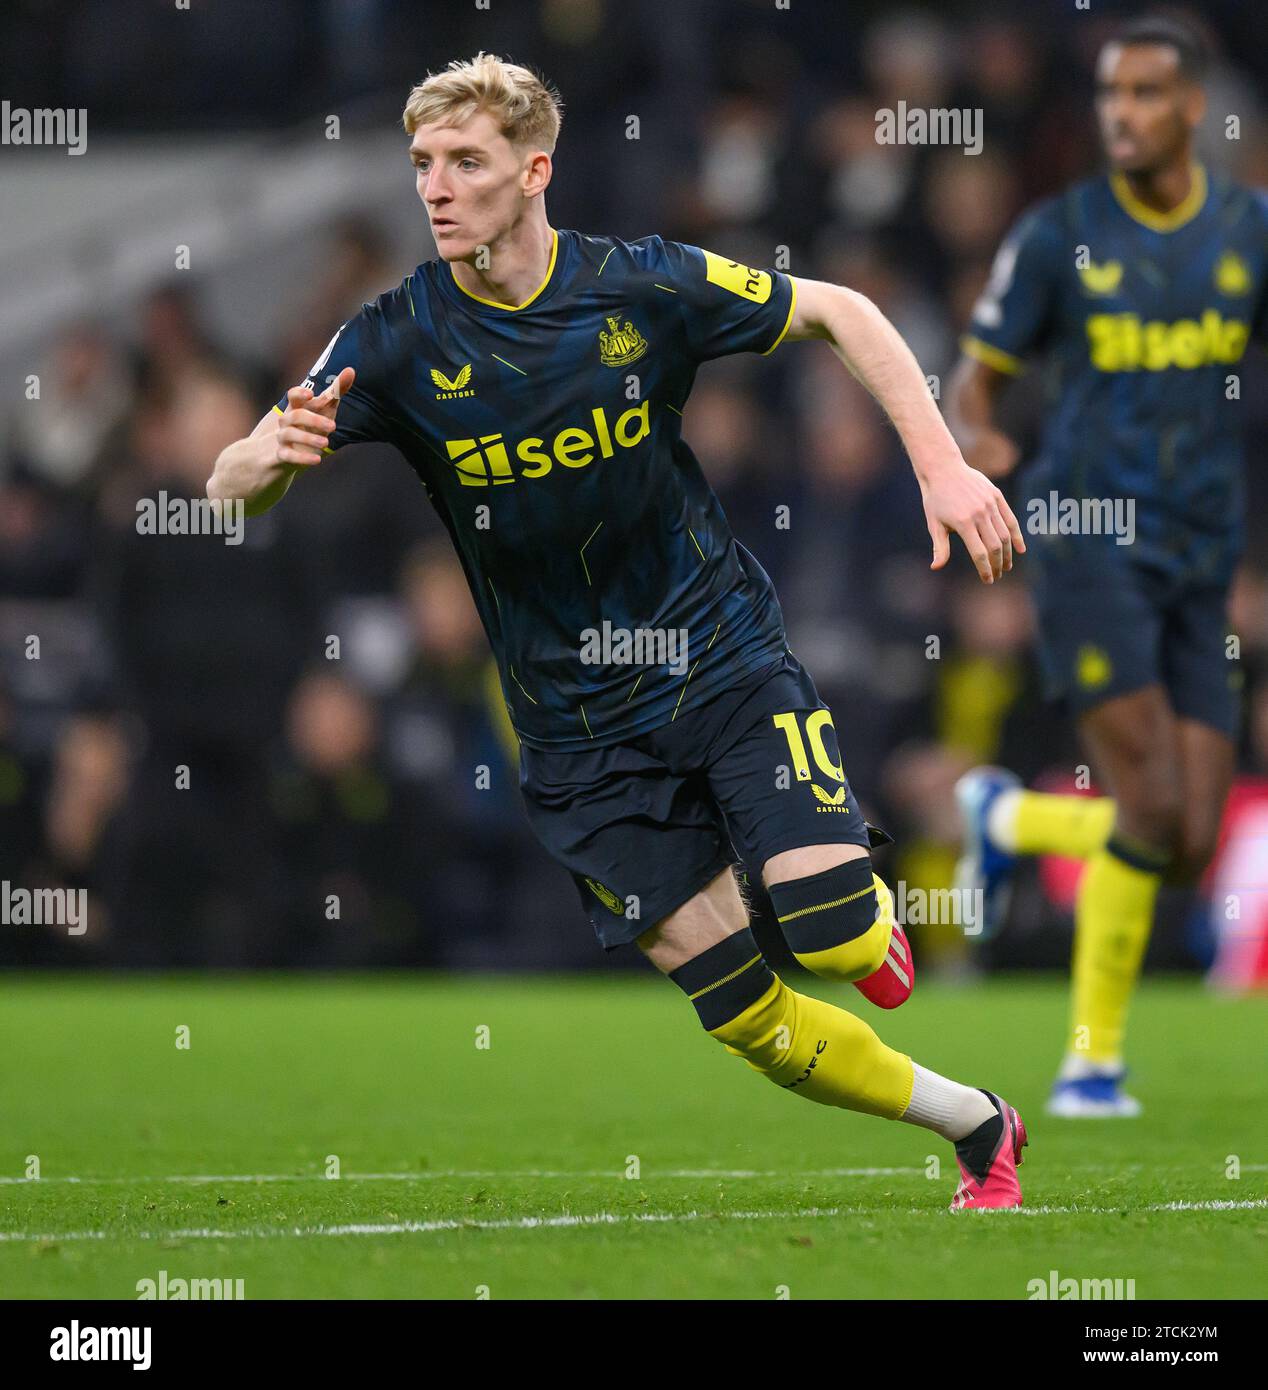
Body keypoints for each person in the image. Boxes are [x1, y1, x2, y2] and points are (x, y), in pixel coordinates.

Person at [208, 53, 1029, 1207]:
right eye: (422, 166)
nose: (436, 189)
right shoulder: (392, 340)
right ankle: (977, 1122)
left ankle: (859, 913)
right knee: (750, 1021)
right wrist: (266, 464)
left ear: (534, 170)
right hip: (577, 733)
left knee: (836, 939)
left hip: (718, 656)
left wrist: (941, 468)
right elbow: (227, 476)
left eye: (466, 163)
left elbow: (843, 310)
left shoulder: (637, 288)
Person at [947, 17, 1268, 1117]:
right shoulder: (1057, 236)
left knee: (1181, 838)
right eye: (1107, 94)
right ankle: (1089, 1065)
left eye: (1142, 93)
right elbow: (973, 379)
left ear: (1191, 109)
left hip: (1198, 552)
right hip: (1084, 537)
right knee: (1144, 797)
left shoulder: (1247, 232)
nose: (1120, 113)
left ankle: (1006, 820)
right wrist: (978, 447)